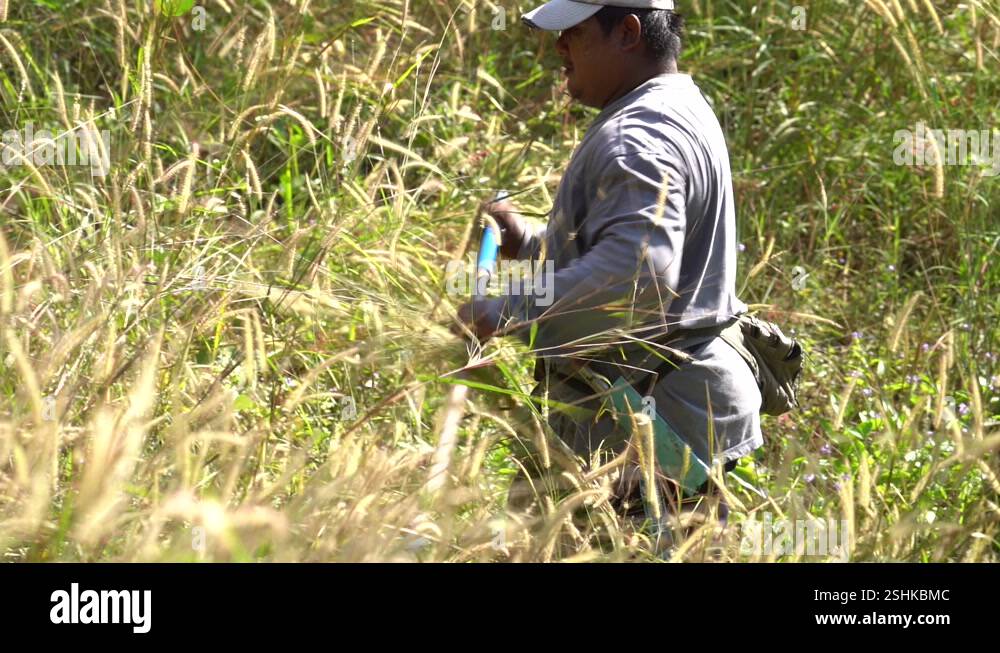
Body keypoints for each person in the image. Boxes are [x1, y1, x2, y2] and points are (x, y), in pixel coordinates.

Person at [455, 0, 762, 534]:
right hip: (673, 414)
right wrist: (527, 241)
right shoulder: (678, 105)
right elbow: (627, 251)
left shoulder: (637, 135)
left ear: (627, 31)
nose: (559, 48)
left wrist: (506, 311)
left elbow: (636, 278)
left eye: (572, 33)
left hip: (641, 431)